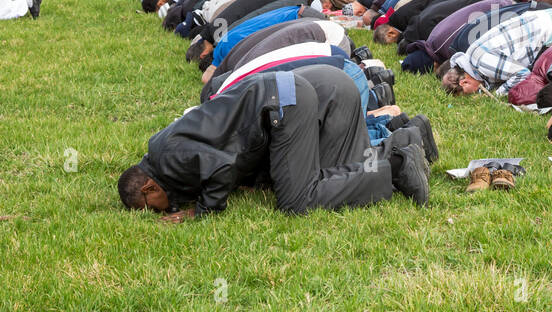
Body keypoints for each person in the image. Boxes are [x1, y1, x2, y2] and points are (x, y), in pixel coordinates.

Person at [116, 70, 432, 218]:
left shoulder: (167, 156)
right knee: (331, 173)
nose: (161, 211)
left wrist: (201, 212)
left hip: (283, 105)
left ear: (147, 189)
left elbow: (222, 166)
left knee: (298, 201)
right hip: (301, 88)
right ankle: (405, 141)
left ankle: (396, 166)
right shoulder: (162, 150)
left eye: (151, 209)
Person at [439, 6, 552, 96]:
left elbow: (522, 74)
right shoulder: (471, 55)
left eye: (468, 94)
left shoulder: (482, 62)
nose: (474, 93)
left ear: (464, 82)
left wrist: (498, 94)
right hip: (542, 18)